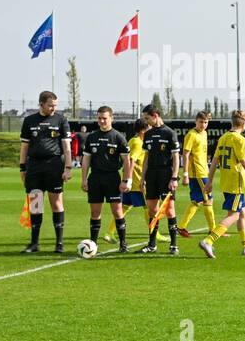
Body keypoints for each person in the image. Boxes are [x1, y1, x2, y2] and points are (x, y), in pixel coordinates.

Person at [200, 111, 245, 258]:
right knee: (234, 215)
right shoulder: (240, 139)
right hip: (236, 183)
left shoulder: (223, 137)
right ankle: (209, 241)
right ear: (244, 123)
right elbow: (243, 161)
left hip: (226, 182)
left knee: (243, 213)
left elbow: (214, 161)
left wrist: (209, 181)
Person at [19, 91, 71, 254]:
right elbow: (24, 147)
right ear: (41, 104)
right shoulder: (29, 121)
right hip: (34, 166)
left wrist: (67, 167)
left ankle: (59, 243)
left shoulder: (61, 120)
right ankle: (34, 243)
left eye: (55, 105)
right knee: (36, 204)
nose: (53, 108)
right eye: (50, 105)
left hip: (54, 164)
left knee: (56, 203)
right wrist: (22, 167)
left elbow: (67, 147)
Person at [80, 106, 132, 253]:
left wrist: (125, 180)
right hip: (95, 178)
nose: (102, 121)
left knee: (117, 211)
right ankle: (92, 244)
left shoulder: (118, 137)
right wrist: (84, 179)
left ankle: (123, 244)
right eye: (99, 118)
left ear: (111, 118)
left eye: (105, 118)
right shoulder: (91, 137)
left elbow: (127, 161)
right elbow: (86, 160)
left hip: (112, 178)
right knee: (95, 212)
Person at [139, 104, 180, 255]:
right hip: (151, 175)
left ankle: (174, 245)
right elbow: (146, 158)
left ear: (155, 115)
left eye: (147, 118)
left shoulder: (169, 133)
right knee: (152, 210)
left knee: (169, 210)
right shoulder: (148, 134)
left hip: (166, 174)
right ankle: (152, 244)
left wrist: (174, 177)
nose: (145, 121)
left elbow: (176, 157)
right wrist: (142, 178)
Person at [178, 112, 216, 238]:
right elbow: (186, 154)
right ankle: (213, 230)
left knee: (197, 200)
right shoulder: (191, 135)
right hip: (198, 173)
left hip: (203, 171)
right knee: (208, 199)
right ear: (196, 121)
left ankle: (182, 226)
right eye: (201, 122)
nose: (203, 125)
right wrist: (185, 174)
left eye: (206, 122)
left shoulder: (204, 133)